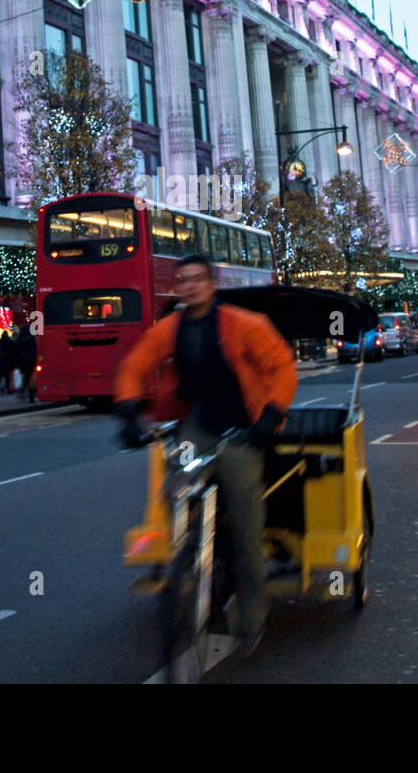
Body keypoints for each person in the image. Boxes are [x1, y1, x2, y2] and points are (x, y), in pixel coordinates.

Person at [113, 253, 297, 656]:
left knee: (248, 531)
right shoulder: (170, 329)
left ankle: (251, 621)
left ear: (212, 284)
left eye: (197, 278)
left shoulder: (245, 324)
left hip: (240, 431)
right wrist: (127, 410)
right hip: (195, 428)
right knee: (172, 487)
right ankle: (188, 549)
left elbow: (283, 368)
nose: (190, 285)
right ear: (177, 287)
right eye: (183, 279)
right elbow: (135, 365)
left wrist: (270, 417)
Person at [15, 326, 38, 403]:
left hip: (22, 361)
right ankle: (31, 396)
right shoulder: (31, 338)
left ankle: (23, 390)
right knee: (31, 378)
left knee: (25, 377)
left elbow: (16, 350)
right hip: (30, 361)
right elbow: (34, 350)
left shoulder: (19, 339)